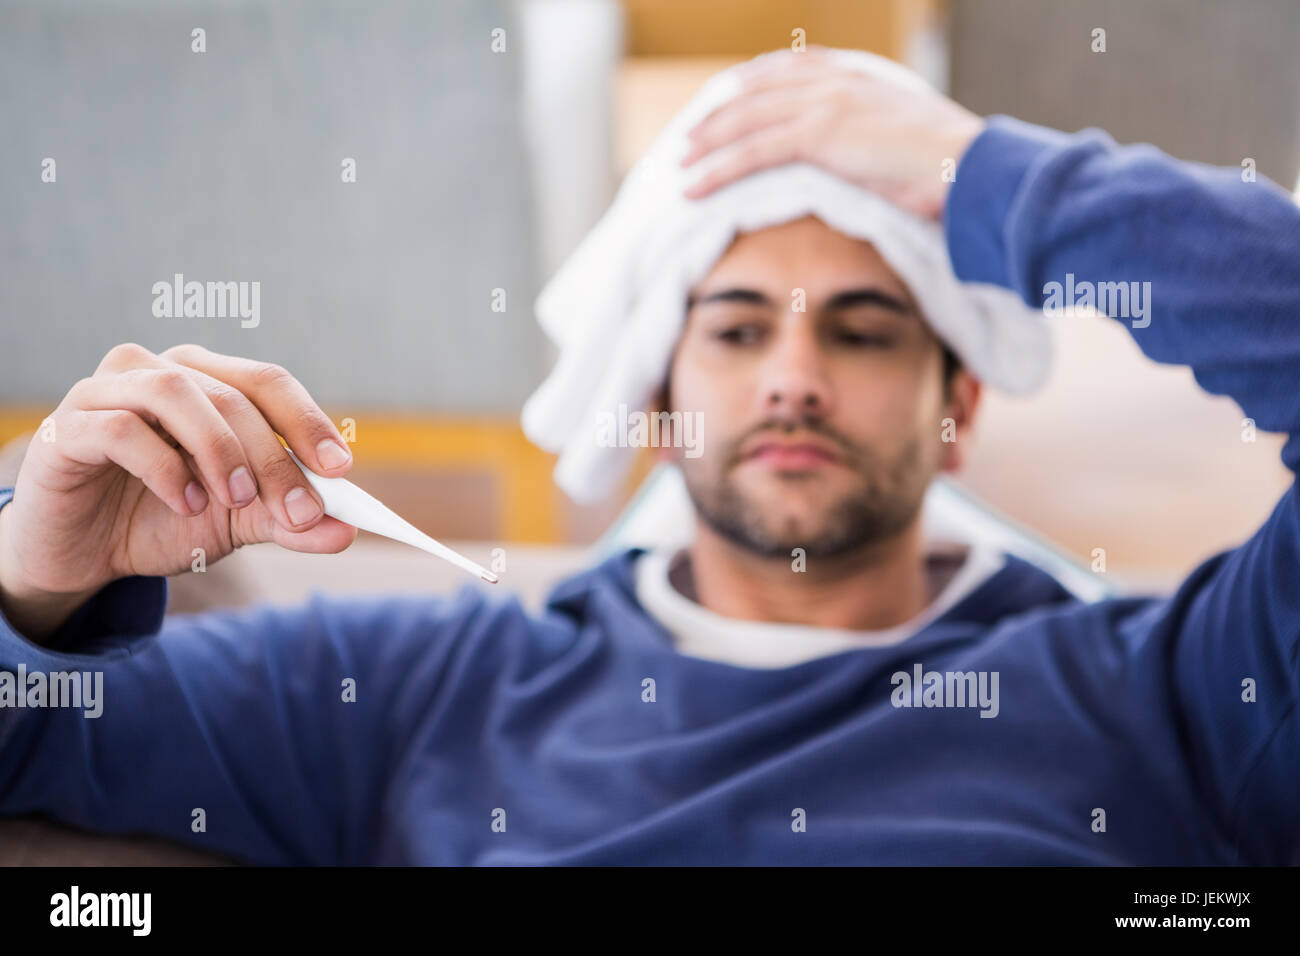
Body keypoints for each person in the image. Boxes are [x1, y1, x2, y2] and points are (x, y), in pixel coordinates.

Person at [0, 49, 1296, 865]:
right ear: (661, 398)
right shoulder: (412, 692)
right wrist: (31, 578)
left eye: (862, 328)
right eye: (736, 330)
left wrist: (990, 177)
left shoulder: (1172, 698)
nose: (794, 372)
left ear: (956, 408)